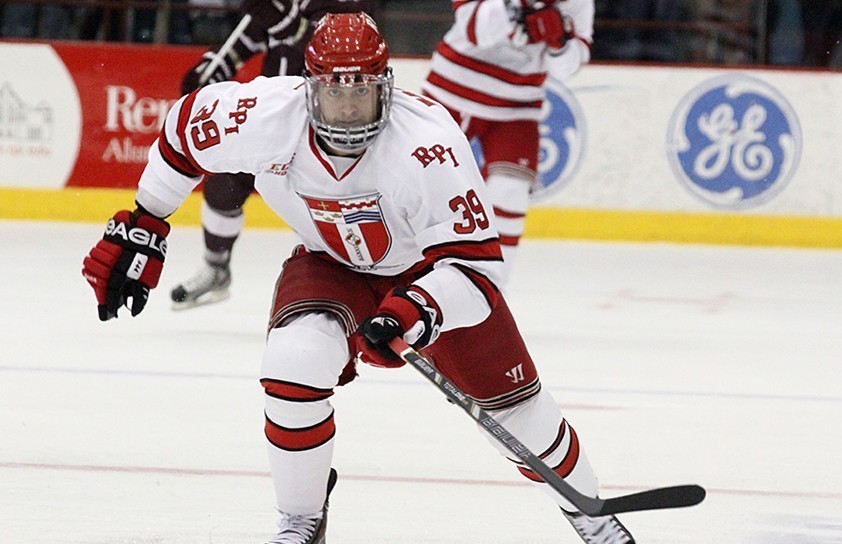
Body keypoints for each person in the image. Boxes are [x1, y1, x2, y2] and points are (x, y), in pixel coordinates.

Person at [82, 12, 635, 544]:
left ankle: (595, 519)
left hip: (427, 274)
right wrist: (144, 219)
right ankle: (300, 520)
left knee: (521, 416)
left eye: (361, 92)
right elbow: (183, 130)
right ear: (308, 87)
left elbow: (476, 270)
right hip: (329, 263)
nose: (348, 108)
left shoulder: (428, 143)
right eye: (335, 92)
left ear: (385, 88)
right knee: (293, 362)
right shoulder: (267, 113)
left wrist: (415, 310)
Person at [169, 0, 372, 309]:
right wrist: (210, 68)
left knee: (318, 207)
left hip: (320, 130)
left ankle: (336, 284)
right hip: (269, 120)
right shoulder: (286, 4)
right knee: (224, 182)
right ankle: (215, 268)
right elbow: (244, 39)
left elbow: (332, 48)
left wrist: (290, 24)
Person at [421, 0, 595, 281]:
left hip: (518, 105)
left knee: (511, 192)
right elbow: (473, 29)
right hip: (452, 91)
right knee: (425, 190)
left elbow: (569, 67)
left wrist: (559, 41)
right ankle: (411, 275)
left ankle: (490, 290)